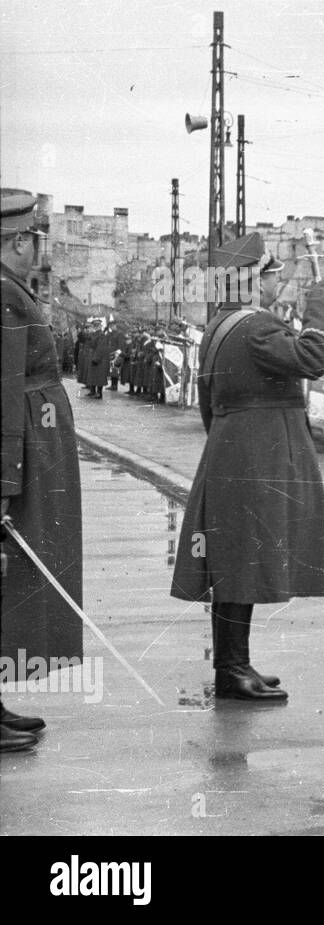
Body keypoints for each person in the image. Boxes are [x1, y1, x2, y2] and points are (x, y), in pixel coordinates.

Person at [170, 233, 324, 701]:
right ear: (251, 281)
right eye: (270, 277)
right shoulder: (257, 326)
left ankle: (235, 664)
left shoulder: (220, 325)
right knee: (241, 560)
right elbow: (312, 359)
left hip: (231, 447)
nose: (275, 285)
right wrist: (321, 306)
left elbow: (209, 404)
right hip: (258, 453)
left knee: (234, 561)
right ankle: (230, 670)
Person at [1, 189, 83, 751]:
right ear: (18, 241)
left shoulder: (10, 292)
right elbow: (6, 395)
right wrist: (6, 483)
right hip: (20, 457)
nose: (35, 250)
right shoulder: (4, 297)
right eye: (32, 240)